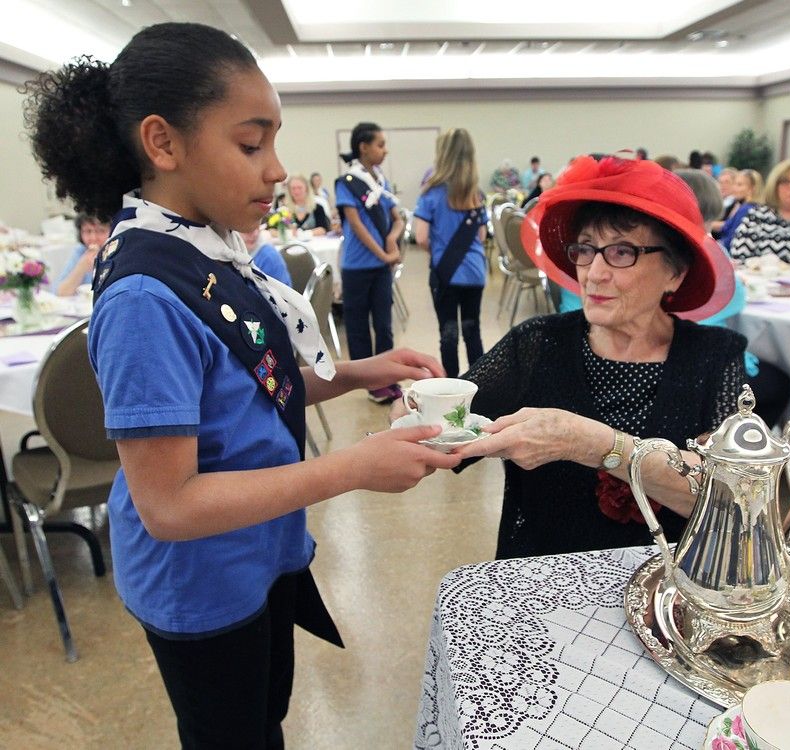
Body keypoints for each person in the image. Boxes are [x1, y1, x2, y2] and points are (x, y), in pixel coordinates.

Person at [23, 22, 459, 748]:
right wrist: (351, 467)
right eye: (250, 144)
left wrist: (353, 375)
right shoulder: (143, 298)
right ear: (162, 144)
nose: (276, 170)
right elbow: (168, 504)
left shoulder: (210, 254)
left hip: (258, 547)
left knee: (264, 718)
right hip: (201, 580)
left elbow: (262, 384)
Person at [451, 155, 747, 559]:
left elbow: (732, 503)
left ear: (675, 272)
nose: (593, 273)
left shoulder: (714, 357)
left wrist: (592, 443)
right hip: (542, 581)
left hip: (667, 584)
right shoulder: (537, 344)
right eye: (586, 250)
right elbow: (452, 429)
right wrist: (415, 412)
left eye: (622, 252)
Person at [675, 169, 790, 428]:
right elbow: (734, 300)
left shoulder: (664, 246)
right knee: (781, 384)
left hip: (669, 353)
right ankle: (743, 443)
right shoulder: (708, 250)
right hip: (703, 359)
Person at [336, 122, 405, 404]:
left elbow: (397, 218)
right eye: (380, 144)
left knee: (384, 324)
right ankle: (368, 381)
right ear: (363, 147)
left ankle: (386, 376)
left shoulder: (381, 181)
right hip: (357, 266)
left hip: (380, 267)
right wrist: (384, 255)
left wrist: (392, 240)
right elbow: (356, 225)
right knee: (358, 325)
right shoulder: (346, 183)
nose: (385, 150)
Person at [413, 128, 489, 378]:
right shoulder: (476, 195)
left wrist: (438, 249)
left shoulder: (431, 194)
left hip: (446, 274)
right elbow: (481, 236)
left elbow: (421, 237)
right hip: (475, 273)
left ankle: (452, 387)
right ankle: (479, 383)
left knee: (448, 334)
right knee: (472, 330)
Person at [55, 213, 110, 296]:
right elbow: (62, 293)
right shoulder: (81, 251)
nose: (93, 238)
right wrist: (81, 267)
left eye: (101, 231)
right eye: (88, 231)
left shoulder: (118, 252)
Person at [715, 169, 763, 250]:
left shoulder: (746, 209)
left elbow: (731, 240)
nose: (734, 188)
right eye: (735, 184)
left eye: (739, 185)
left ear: (752, 189)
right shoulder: (745, 206)